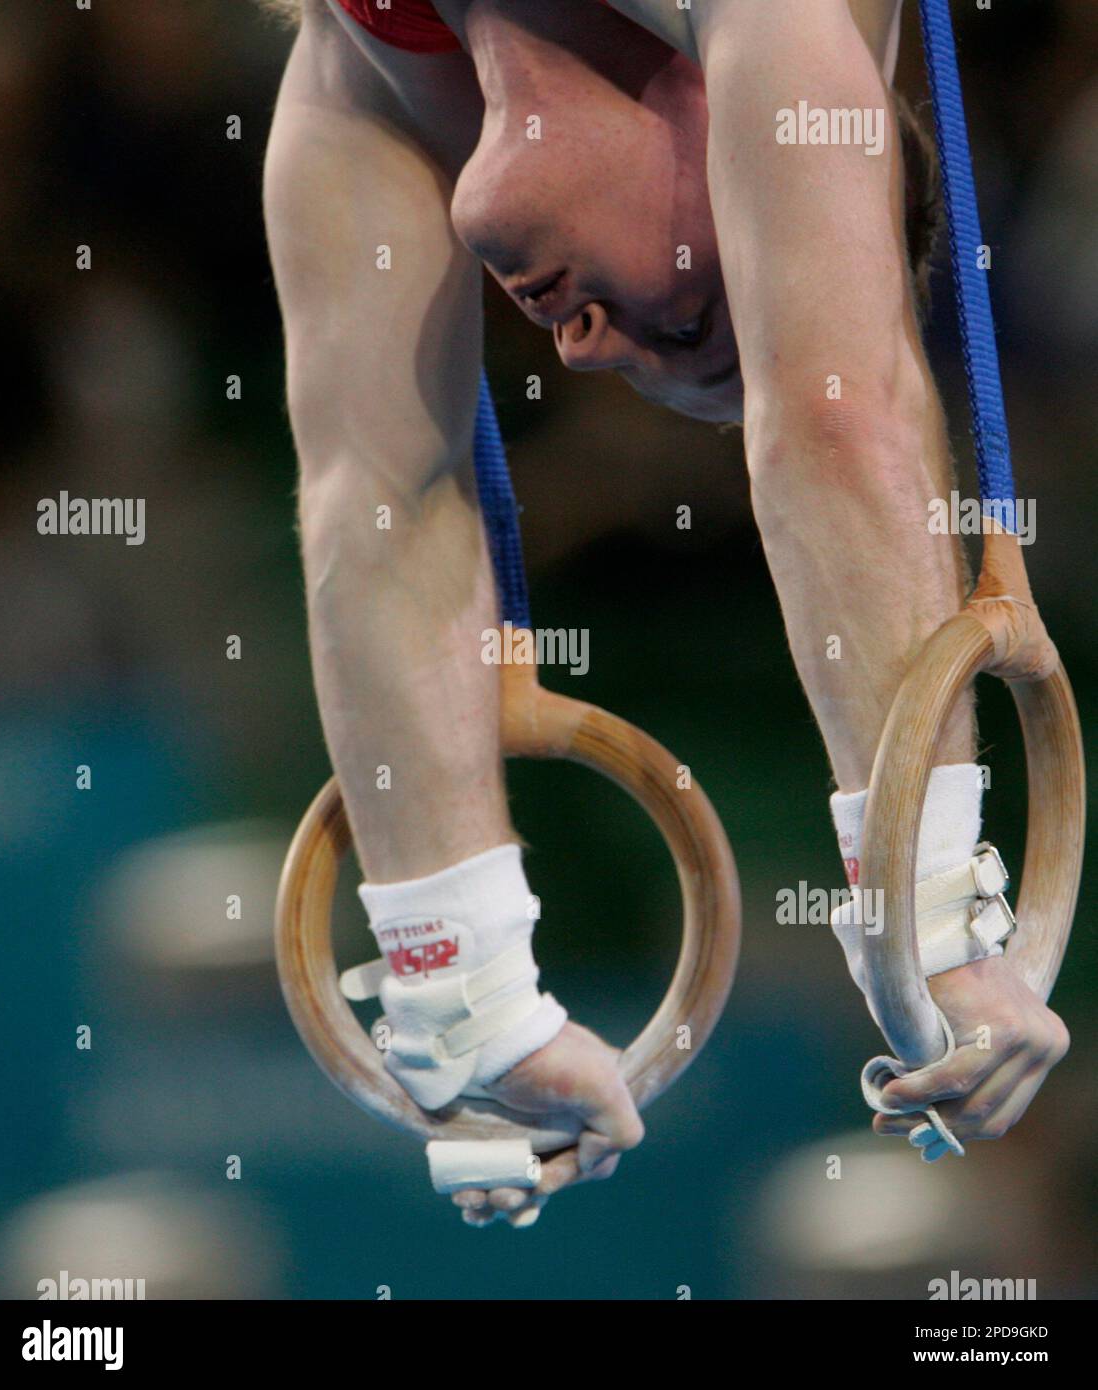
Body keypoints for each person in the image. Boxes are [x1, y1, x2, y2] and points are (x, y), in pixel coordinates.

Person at [262, 0, 1069, 1227]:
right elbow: (832, 414)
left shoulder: (371, 56)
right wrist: (936, 922)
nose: (582, 352)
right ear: (726, 119)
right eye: (683, 325)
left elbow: (378, 512)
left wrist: (469, 998)